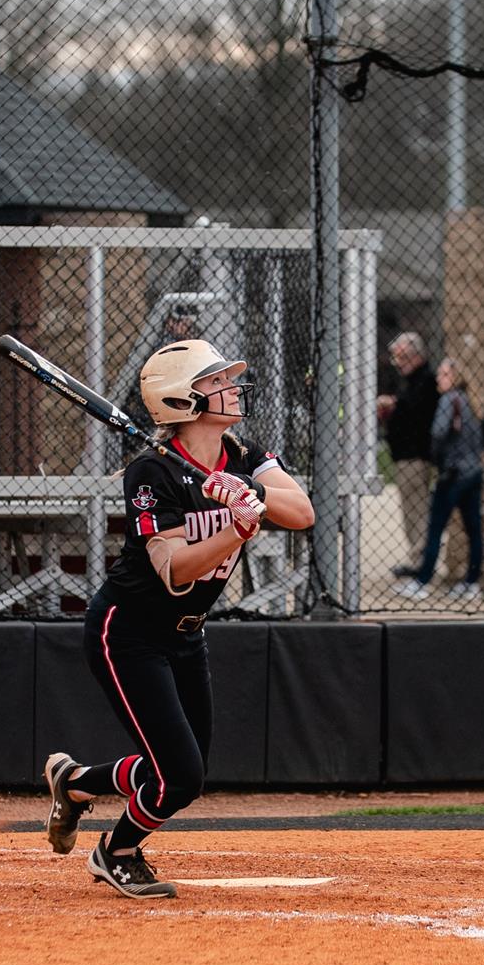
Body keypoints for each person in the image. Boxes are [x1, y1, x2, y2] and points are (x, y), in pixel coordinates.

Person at [42, 339, 312, 899]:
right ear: (183, 401)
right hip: (129, 631)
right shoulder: (150, 472)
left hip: (188, 636)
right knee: (179, 776)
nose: (232, 387)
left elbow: (302, 513)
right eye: (216, 382)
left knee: (181, 768)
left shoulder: (240, 453)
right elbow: (173, 572)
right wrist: (233, 529)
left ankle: (74, 782)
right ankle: (114, 852)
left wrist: (250, 490)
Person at [393, 357, 484, 601]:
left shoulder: (449, 400)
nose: (439, 377)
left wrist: (440, 456)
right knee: (474, 528)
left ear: (455, 378)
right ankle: (471, 582)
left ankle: (422, 581)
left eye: (445, 374)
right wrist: (473, 452)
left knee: (435, 528)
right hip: (473, 472)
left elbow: (437, 432)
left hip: (452, 473)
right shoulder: (473, 402)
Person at [374, 332, 438, 578]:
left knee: (416, 509)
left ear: (414, 356)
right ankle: (418, 558)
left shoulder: (425, 380)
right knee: (411, 509)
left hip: (415, 455)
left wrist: (394, 405)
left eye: (401, 357)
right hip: (405, 454)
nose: (398, 362)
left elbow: (416, 414)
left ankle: (421, 562)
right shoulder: (410, 380)